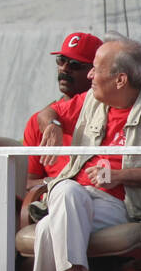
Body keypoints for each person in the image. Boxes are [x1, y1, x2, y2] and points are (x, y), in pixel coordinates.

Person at [23, 38, 141, 271]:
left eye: (96, 69)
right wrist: (53, 124)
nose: (90, 77)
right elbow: (45, 113)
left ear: (120, 80)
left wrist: (121, 175)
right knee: (66, 193)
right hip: (76, 199)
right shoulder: (89, 101)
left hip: (122, 206)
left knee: (49, 225)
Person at [23, 32, 102, 184]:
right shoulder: (38, 120)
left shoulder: (109, 112)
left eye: (75, 64)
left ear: (94, 71)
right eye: (61, 60)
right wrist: (57, 183)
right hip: (52, 199)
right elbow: (27, 182)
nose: (64, 69)